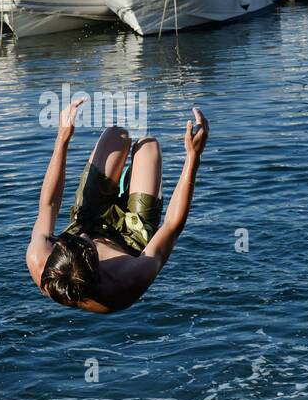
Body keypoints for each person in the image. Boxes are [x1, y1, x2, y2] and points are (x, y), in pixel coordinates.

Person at [27, 96, 208, 313]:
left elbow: (48, 205)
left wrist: (62, 138)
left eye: (74, 239)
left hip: (88, 218)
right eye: (87, 244)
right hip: (132, 236)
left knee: (117, 134)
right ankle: (127, 190)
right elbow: (171, 227)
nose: (84, 236)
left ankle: (120, 188)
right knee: (147, 147)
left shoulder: (39, 259)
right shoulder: (126, 281)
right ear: (98, 268)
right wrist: (193, 158)